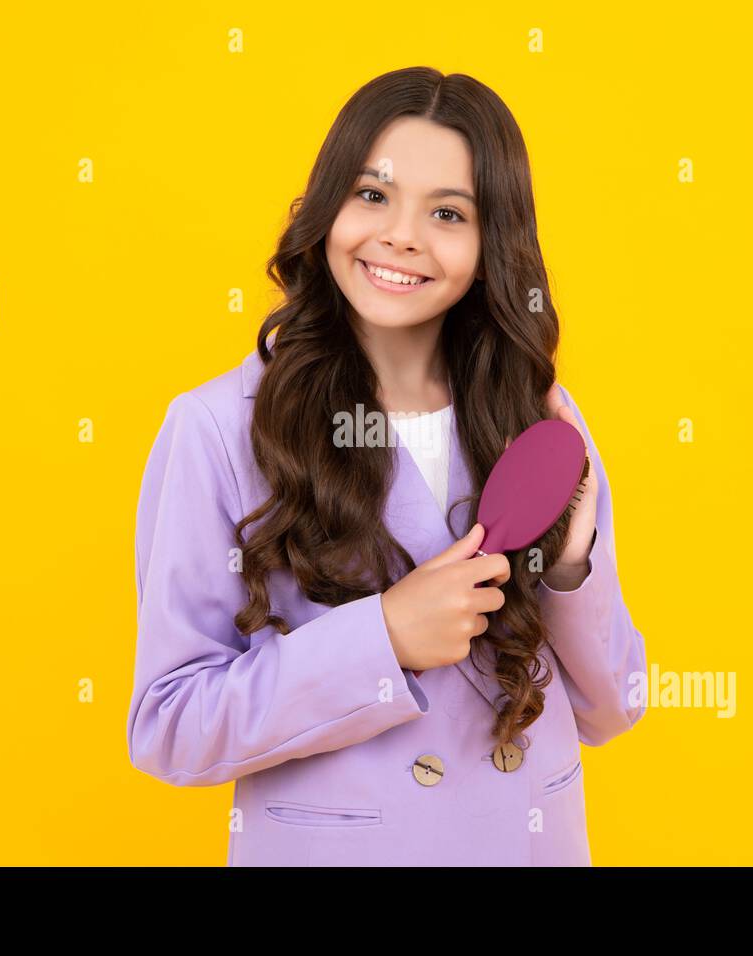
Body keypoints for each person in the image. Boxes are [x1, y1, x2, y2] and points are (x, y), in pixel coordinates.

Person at [126, 66, 647, 866]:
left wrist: (572, 566)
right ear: (328, 205)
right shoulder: (216, 430)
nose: (402, 234)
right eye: (373, 195)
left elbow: (612, 709)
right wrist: (383, 639)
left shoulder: (536, 414)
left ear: (489, 244)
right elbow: (168, 727)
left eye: (447, 212)